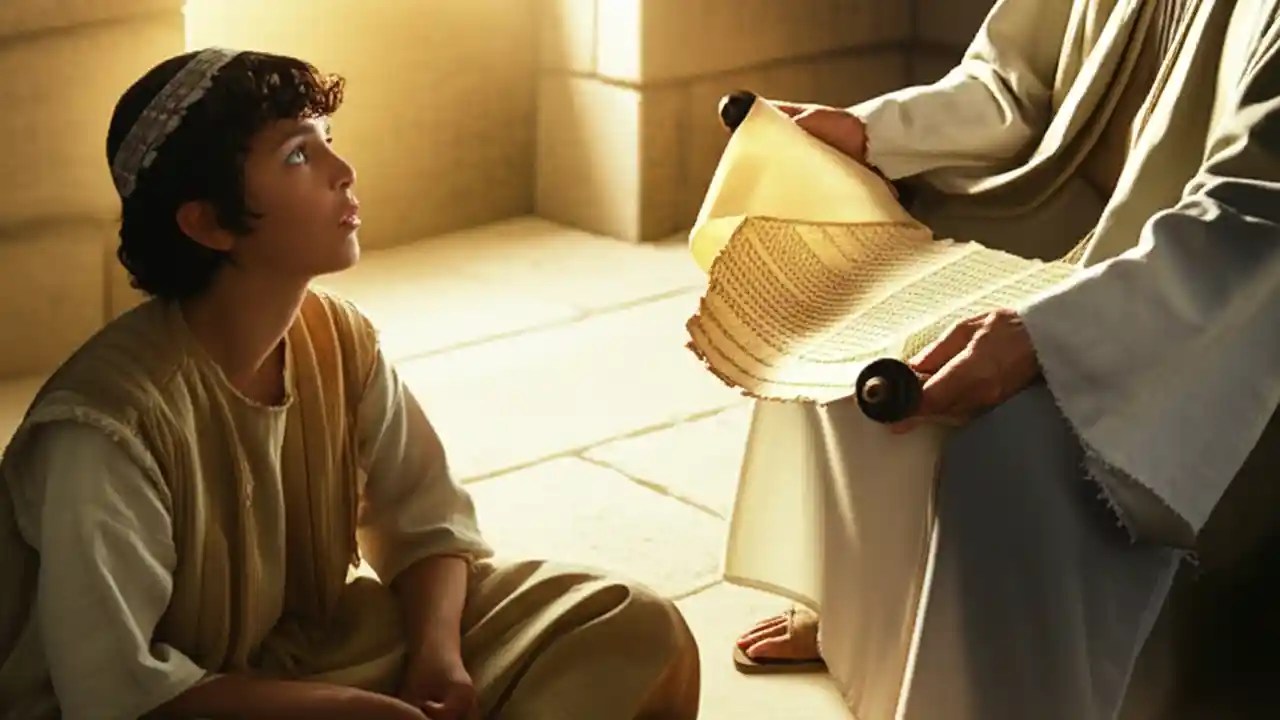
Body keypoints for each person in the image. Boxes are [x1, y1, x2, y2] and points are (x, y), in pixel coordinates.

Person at [0, 48, 700, 720]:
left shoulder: (336, 339)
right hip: (179, 705)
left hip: (310, 655)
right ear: (208, 222)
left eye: (327, 139)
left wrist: (438, 657)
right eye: (299, 155)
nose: (343, 170)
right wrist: (344, 709)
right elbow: (116, 695)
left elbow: (425, 527)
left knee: (630, 624)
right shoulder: (103, 431)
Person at [724, 0, 1280, 717]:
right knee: (838, 299)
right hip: (1078, 233)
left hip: (1214, 302)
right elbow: (1008, 83)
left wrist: (1054, 331)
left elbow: (1256, 216)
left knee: (1009, 444)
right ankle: (864, 608)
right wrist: (870, 134)